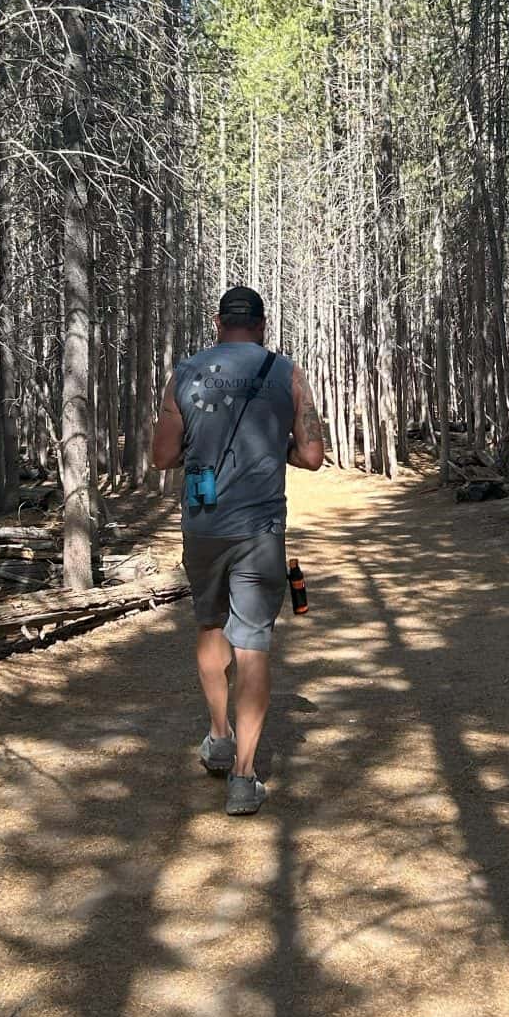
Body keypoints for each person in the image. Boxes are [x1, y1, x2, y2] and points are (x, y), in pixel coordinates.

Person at [151, 285, 326, 816]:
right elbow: (314, 456)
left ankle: (219, 736)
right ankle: (245, 780)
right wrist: (280, 450)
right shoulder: (288, 374)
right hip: (262, 530)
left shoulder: (183, 374)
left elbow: (161, 457)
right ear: (263, 324)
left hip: (204, 528)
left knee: (210, 627)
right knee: (252, 645)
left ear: (218, 321)